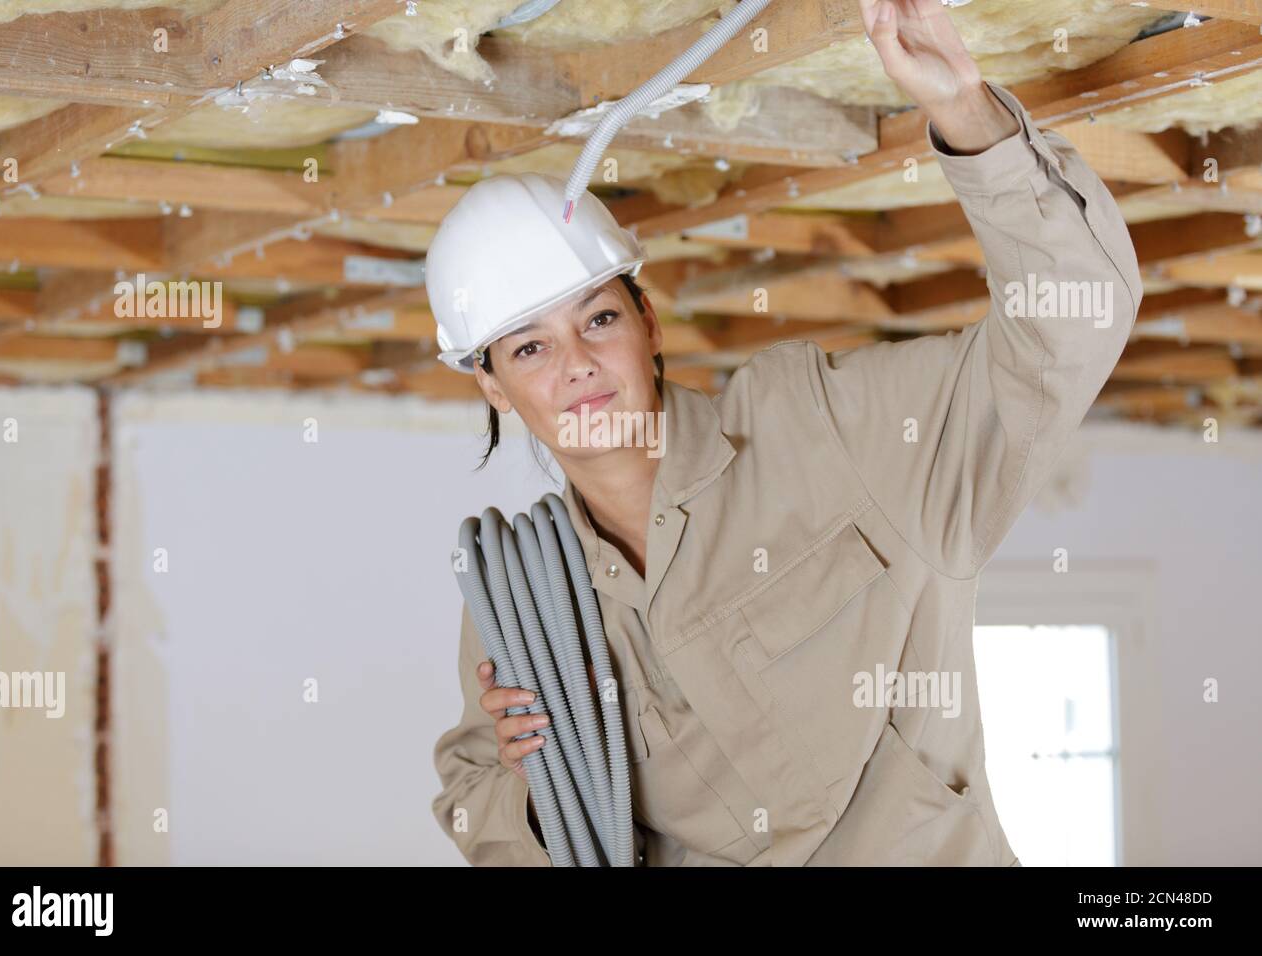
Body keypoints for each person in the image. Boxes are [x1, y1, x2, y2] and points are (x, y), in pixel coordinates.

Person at [426, 0, 1143, 865]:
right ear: (491, 384)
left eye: (599, 319)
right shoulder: (529, 599)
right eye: (530, 346)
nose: (575, 363)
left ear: (649, 322)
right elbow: (470, 804)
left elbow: (1071, 325)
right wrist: (532, 789)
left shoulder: (825, 430)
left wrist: (966, 115)